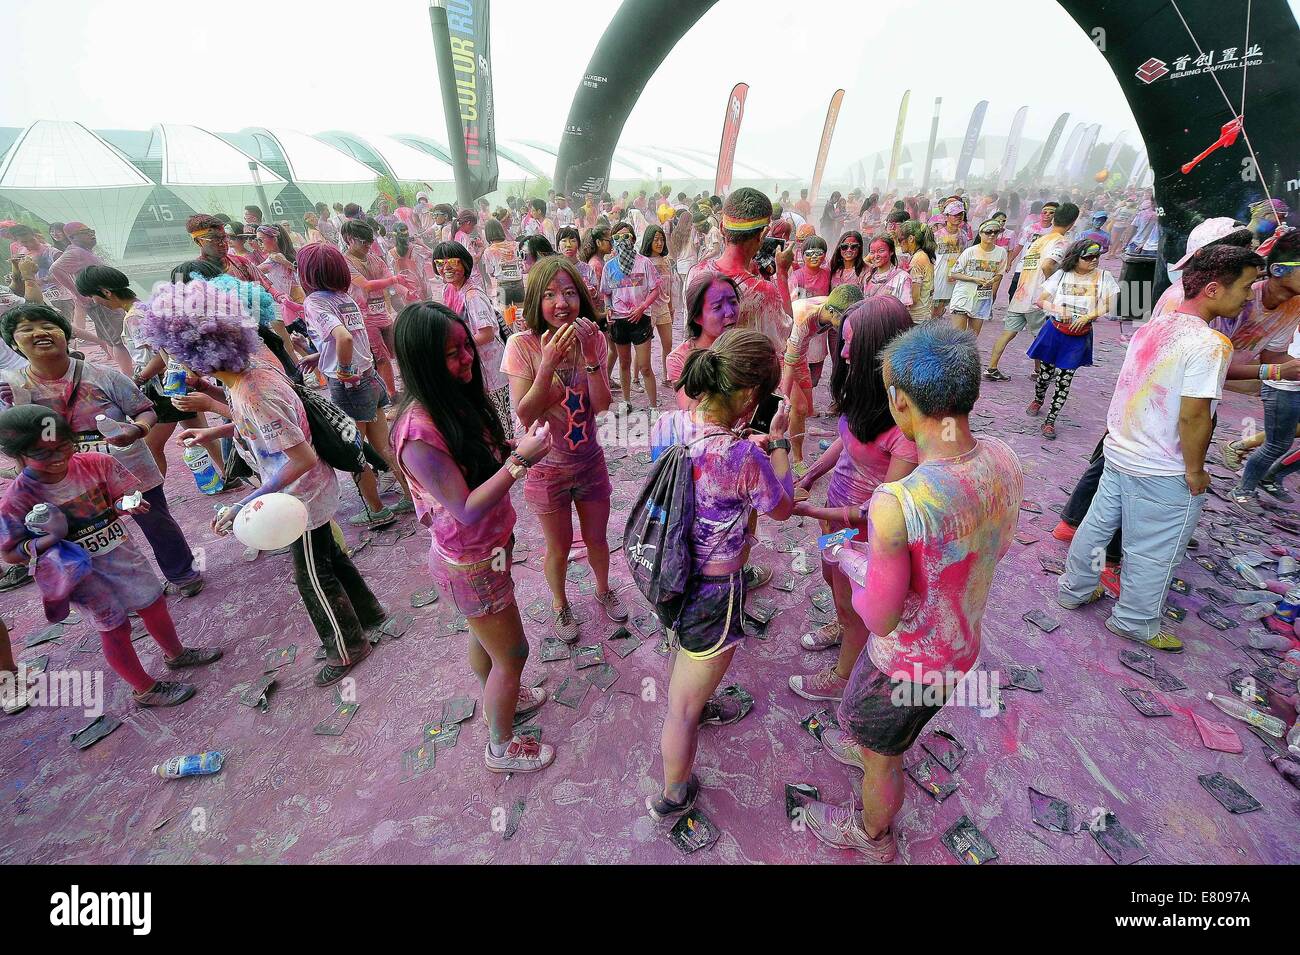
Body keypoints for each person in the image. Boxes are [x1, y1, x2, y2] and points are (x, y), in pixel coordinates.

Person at [800, 323, 1022, 860]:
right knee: (899, 728)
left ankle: (873, 835)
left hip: (901, 662)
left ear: (899, 403)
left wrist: (851, 559)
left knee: (884, 758)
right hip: (961, 648)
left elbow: (879, 617)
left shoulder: (899, 501)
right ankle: (875, 747)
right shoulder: (1004, 461)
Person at [137, 282, 390, 686]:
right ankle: (370, 613)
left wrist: (245, 502)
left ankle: (347, 646)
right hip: (303, 493)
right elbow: (264, 430)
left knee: (311, 576)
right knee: (329, 558)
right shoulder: (248, 374)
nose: (174, 361)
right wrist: (214, 431)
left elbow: (300, 456)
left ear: (197, 351)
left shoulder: (254, 391)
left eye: (176, 352)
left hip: (298, 498)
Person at [1057, 245, 1262, 652]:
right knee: (1153, 552)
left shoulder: (1153, 327)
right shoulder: (1211, 344)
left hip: (1121, 451)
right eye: (1246, 285)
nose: (1249, 295)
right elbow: (1194, 416)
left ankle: (1075, 589)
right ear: (1214, 289)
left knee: (1097, 530)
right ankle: (1133, 621)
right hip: (1162, 466)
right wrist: (1195, 469)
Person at [392, 302, 556, 772]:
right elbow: (464, 508)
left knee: (487, 638)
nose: (467, 359)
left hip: (487, 553)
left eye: (467, 346)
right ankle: (500, 746)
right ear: (422, 362)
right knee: (514, 652)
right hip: (471, 561)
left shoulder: (453, 399)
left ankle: (500, 695)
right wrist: (519, 462)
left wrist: (509, 449)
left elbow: (473, 460)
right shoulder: (419, 431)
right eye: (452, 353)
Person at [644, 329, 794, 822]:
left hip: (671, 572)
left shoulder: (672, 426)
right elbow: (781, 508)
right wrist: (780, 443)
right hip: (716, 590)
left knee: (685, 659)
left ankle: (700, 701)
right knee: (681, 709)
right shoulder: (745, 456)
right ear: (752, 395)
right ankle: (673, 794)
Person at [0, 405, 220, 707]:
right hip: (81, 576)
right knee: (115, 626)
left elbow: (118, 498)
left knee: (154, 604)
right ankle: (144, 689)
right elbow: (11, 552)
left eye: (63, 446)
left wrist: (126, 505)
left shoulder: (97, 463)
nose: (57, 458)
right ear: (17, 455)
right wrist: (46, 541)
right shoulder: (18, 498)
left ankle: (177, 654)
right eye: (42, 454)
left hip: (122, 553)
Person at [0, 302, 206, 598]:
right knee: (91, 538)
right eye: (26, 329)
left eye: (48, 325)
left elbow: (145, 411)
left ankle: (183, 573)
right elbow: (19, 444)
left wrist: (137, 430)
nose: (39, 333)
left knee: (155, 520)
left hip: (125, 468)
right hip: (66, 481)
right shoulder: (14, 388)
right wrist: (11, 409)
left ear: (65, 334)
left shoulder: (103, 376)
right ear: (12, 343)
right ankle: (124, 594)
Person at [789, 298, 916, 690]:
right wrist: (810, 474)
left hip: (863, 533)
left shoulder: (906, 427)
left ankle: (842, 679)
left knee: (853, 599)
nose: (842, 353)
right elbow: (845, 441)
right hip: (835, 516)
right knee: (833, 579)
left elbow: (878, 512)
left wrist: (811, 512)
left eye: (851, 345)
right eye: (841, 341)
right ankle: (844, 622)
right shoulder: (868, 394)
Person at [501, 255, 627, 641]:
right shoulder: (522, 345)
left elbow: (603, 406)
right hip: (545, 469)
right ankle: (560, 604)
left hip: (589, 461)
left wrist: (590, 359)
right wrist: (547, 365)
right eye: (551, 294)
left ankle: (604, 589)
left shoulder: (593, 340)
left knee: (598, 539)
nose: (561, 303)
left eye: (570, 293)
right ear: (536, 300)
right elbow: (523, 414)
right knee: (557, 548)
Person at [73, 265, 226, 484]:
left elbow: (159, 356)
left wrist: (139, 378)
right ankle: (230, 474)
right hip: (180, 381)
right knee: (201, 433)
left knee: (152, 446)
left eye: (92, 296)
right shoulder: (147, 307)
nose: (95, 302)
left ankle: (152, 491)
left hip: (163, 387)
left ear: (105, 291)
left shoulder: (134, 318)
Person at [297, 242, 413, 528]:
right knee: (383, 447)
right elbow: (349, 337)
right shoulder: (345, 297)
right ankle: (411, 496)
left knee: (354, 451)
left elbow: (344, 339)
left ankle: (376, 509)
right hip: (370, 378)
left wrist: (344, 370)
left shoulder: (315, 302)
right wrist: (320, 355)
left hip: (350, 386)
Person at [1224, 231, 1300, 510]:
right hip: (1184, 381)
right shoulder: (1239, 297)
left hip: (1217, 382)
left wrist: (1288, 367)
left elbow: (1273, 354)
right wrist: (1279, 373)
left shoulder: (1294, 305)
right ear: (1278, 269)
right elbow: (1209, 365)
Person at [1025, 239, 1119, 439]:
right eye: (1088, 257)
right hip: (1055, 331)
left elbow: (1109, 304)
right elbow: (1040, 300)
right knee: (1044, 375)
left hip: (1079, 336)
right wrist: (1058, 309)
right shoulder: (1061, 275)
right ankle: (1038, 399)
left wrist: (1089, 316)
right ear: (1076, 258)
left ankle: (1050, 420)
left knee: (1064, 379)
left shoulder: (1104, 277)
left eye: (1097, 256)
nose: (1094, 260)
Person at [686, 187, 793, 351]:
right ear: (764, 233)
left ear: (722, 227)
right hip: (743, 374)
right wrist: (783, 274)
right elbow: (784, 333)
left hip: (702, 371)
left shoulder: (696, 272)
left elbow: (691, 333)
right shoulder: (763, 292)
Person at [986, 202, 1079, 381]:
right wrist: (1053, 287)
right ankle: (1039, 372)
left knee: (1008, 333)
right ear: (1072, 223)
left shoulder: (1039, 241)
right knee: (1041, 336)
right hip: (1038, 297)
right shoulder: (1061, 242)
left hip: (1021, 295)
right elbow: (1047, 264)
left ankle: (992, 367)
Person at [779, 284, 864, 473]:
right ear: (833, 312)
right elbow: (788, 363)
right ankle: (797, 460)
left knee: (807, 410)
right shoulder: (803, 318)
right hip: (782, 357)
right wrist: (783, 400)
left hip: (799, 357)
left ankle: (798, 428)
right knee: (797, 407)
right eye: (846, 320)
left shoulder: (834, 306)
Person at [435, 241, 512, 439]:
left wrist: (454, 346)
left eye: (452, 262)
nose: (446, 268)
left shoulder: (472, 296)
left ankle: (508, 452)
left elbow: (486, 334)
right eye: (440, 263)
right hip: (473, 362)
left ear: (465, 264)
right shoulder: (450, 290)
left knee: (500, 414)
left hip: (491, 366)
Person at [47, 222, 132, 374]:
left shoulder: (83, 251)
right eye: (85, 232)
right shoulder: (75, 252)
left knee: (111, 338)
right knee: (117, 339)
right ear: (72, 237)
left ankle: (126, 372)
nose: (91, 234)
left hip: (104, 299)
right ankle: (129, 375)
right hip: (101, 302)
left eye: (91, 231)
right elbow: (55, 269)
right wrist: (78, 292)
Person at [603, 224, 663, 412]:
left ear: (633, 239)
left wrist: (642, 307)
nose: (623, 241)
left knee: (645, 367)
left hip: (640, 319)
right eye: (618, 238)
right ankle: (626, 402)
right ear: (613, 241)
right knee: (624, 363)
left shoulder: (644, 263)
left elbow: (655, 289)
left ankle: (653, 407)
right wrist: (608, 308)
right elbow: (606, 293)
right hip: (619, 321)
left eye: (626, 236)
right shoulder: (609, 266)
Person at [667, 272, 742, 410]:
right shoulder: (679, 359)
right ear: (697, 317)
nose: (730, 312)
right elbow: (692, 411)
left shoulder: (744, 347)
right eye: (717, 307)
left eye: (733, 302)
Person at [946, 219, 1007, 340]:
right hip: (963, 296)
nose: (992, 235)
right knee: (957, 338)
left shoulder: (1001, 252)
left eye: (996, 232)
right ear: (980, 233)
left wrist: (992, 280)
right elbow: (954, 273)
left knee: (972, 339)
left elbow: (999, 274)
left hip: (982, 298)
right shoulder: (970, 251)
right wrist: (974, 279)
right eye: (988, 232)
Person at [640, 224, 676, 388]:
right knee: (643, 345)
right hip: (649, 309)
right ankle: (635, 377)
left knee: (667, 343)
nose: (660, 243)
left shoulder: (667, 261)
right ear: (648, 241)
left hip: (663, 308)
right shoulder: (644, 262)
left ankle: (667, 376)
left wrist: (671, 306)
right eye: (656, 239)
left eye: (662, 239)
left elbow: (669, 286)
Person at [1005, 201, 1057, 304]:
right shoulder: (1030, 228)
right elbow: (1020, 245)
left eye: (1051, 212)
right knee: (1014, 291)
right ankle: (1011, 311)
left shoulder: (1055, 231)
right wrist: (1010, 261)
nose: (1047, 215)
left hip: (1041, 268)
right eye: (1045, 212)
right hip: (1023, 266)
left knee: (1033, 293)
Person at [930, 201, 972, 319]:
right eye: (955, 214)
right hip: (938, 275)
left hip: (954, 274)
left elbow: (964, 255)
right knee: (935, 306)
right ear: (946, 216)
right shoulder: (936, 235)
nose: (958, 217)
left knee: (945, 304)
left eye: (961, 214)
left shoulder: (963, 235)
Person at [898, 221, 935, 324]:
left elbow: (914, 297)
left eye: (900, 239)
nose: (898, 243)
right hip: (923, 316)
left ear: (910, 238)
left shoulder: (917, 260)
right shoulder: (923, 255)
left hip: (916, 319)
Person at [860, 235, 914, 306]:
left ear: (891, 252)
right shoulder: (867, 277)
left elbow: (905, 309)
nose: (876, 256)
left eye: (881, 251)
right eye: (872, 252)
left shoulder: (903, 278)